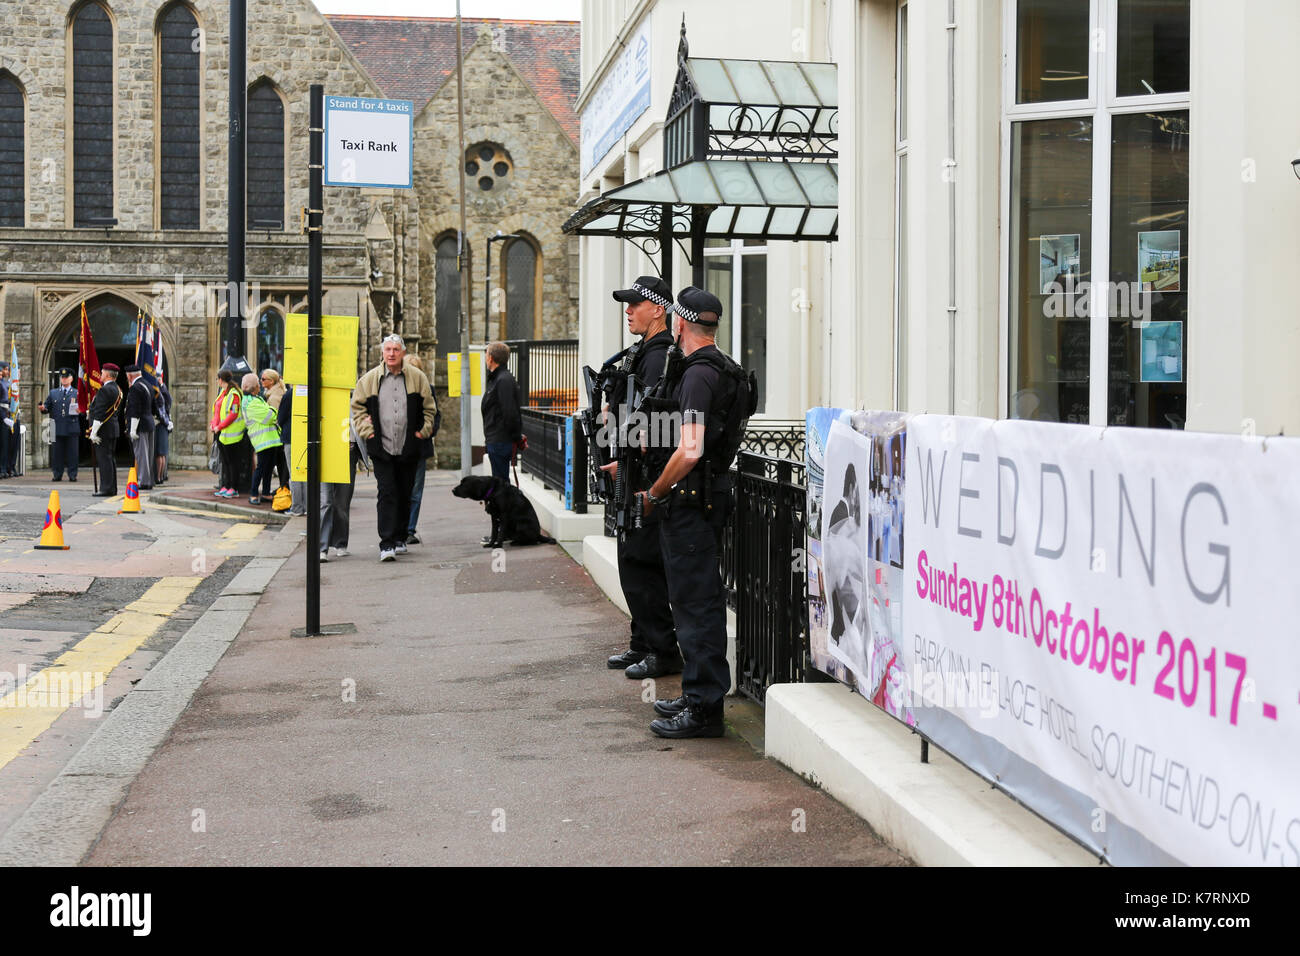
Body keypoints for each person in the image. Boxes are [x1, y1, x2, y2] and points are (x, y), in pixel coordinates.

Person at [636, 287, 752, 739]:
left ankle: (704, 710)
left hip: (690, 504)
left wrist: (655, 492)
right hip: (706, 499)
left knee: (696, 605)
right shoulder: (724, 369)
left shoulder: (699, 375)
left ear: (680, 323)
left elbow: (690, 449)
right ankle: (697, 693)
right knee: (694, 602)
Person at [597, 276, 681, 679]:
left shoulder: (659, 355)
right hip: (631, 471)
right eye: (627, 304)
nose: (628, 310)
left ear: (658, 309)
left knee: (641, 563)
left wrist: (629, 458)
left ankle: (661, 651)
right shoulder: (641, 353)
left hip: (645, 476)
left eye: (635, 304)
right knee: (632, 561)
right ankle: (642, 642)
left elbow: (658, 424)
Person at [350, 334, 437, 561]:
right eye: (387, 349)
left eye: (395, 350)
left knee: (405, 492)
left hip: (409, 447)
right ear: (382, 352)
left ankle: (399, 537)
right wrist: (367, 432)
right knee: (387, 492)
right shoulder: (369, 380)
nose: (391, 354)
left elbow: (430, 409)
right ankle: (386, 543)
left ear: (403, 353)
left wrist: (422, 433)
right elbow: (356, 408)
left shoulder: (417, 378)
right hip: (382, 447)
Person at [240, 372, 288, 505]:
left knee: (268, 468)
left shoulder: (256, 399)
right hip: (262, 441)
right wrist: (273, 411)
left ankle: (266, 493)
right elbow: (270, 417)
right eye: (257, 384)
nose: (259, 387)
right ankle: (254, 494)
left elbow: (270, 414)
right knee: (261, 468)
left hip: (270, 440)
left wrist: (271, 411)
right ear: (253, 387)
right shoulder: (250, 403)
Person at [320, 422, 365, 562]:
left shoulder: (352, 399)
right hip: (324, 450)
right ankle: (322, 548)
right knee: (326, 502)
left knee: (342, 503)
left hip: (347, 451)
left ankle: (340, 543)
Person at [403, 354, 435, 545]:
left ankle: (409, 529)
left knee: (415, 490)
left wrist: (424, 433)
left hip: (419, 447)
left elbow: (434, 416)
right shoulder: (395, 387)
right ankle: (399, 527)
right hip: (398, 447)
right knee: (400, 489)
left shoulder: (428, 389)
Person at [481, 341, 522, 481]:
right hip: (496, 439)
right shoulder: (498, 379)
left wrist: (517, 438)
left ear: (491, 358)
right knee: (500, 482)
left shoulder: (503, 380)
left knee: (500, 484)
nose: (485, 358)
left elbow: (510, 413)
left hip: (500, 440)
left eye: (486, 355)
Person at [40, 368, 82, 482]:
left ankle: (72, 474)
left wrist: (80, 411)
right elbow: (47, 407)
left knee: (72, 453)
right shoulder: (53, 393)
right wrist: (43, 408)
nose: (64, 379)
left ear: (71, 378)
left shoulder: (77, 393)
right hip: (56, 426)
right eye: (62, 377)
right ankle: (57, 474)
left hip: (71, 426)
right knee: (56, 453)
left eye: (66, 377)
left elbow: (83, 410)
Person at [87, 363, 122, 496]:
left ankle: (106, 488)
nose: (100, 375)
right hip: (112, 429)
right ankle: (111, 487)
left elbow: (100, 412)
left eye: (102, 373)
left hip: (103, 430)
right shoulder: (118, 389)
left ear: (107, 374)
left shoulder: (104, 390)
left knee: (104, 460)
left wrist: (94, 432)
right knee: (110, 459)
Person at [210, 369, 245, 498]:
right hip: (221, 433)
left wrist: (219, 426)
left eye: (217, 379)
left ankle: (233, 488)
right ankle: (226, 486)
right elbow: (217, 411)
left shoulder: (234, 394)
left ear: (221, 379)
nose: (217, 381)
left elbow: (233, 414)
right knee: (225, 462)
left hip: (231, 434)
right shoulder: (223, 393)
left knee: (232, 462)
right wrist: (213, 424)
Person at [123, 364, 156, 490]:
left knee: (141, 454)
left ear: (130, 376)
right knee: (149, 454)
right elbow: (154, 406)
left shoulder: (135, 388)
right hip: (149, 423)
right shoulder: (148, 384)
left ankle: (144, 481)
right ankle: (149, 480)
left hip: (140, 425)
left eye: (127, 377)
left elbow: (135, 408)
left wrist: (132, 429)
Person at [153, 380, 173, 485]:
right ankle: (160, 477)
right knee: (162, 454)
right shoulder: (164, 393)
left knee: (159, 454)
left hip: (160, 424)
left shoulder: (160, 394)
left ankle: (158, 477)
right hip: (164, 424)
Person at [0, 362, 10, 478]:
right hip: (1, 414)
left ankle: (4, 468)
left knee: (5, 444)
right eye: (5, 369)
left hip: (4, 413)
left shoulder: (5, 383)